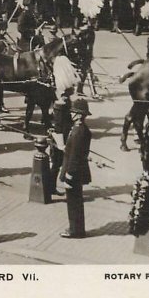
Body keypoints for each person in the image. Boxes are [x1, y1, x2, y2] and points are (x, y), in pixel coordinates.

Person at [59, 98, 93, 239]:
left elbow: (75, 156)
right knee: (75, 201)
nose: (71, 114)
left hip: (74, 172)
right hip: (77, 170)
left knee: (73, 203)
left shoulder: (79, 131)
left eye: (74, 112)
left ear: (79, 115)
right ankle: (76, 228)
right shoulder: (80, 129)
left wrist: (69, 175)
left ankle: (75, 230)